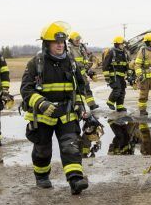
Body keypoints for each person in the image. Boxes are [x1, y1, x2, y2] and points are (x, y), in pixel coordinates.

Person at [20, 21, 97, 194]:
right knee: (42, 150)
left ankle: (75, 179)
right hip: (43, 115)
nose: (60, 45)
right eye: (56, 43)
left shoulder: (71, 62)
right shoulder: (36, 63)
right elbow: (26, 90)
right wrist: (41, 103)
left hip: (66, 114)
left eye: (62, 42)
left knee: (71, 146)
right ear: (47, 44)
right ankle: (42, 177)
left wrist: (78, 105)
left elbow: (79, 87)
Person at [102, 36, 132, 111]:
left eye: (123, 44)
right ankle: (110, 102)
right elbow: (105, 65)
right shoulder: (112, 52)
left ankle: (120, 106)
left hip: (121, 76)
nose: (123, 45)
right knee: (117, 89)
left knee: (122, 91)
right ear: (117, 44)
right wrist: (107, 77)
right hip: (114, 76)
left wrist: (129, 75)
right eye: (121, 44)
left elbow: (127, 65)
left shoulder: (124, 53)